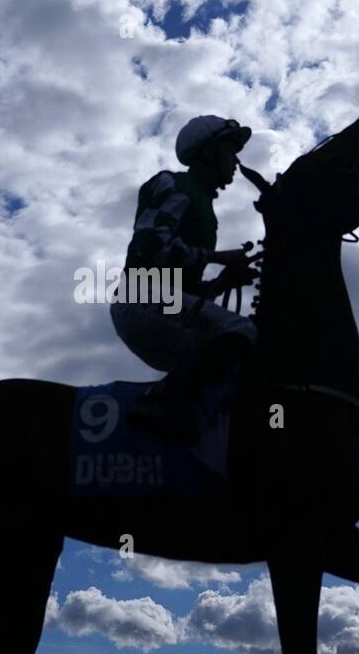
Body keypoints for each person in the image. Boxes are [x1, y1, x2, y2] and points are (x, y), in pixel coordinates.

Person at [110, 115, 261, 441]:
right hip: (141, 297)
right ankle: (161, 403)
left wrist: (224, 282)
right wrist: (219, 259)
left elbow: (187, 292)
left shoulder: (205, 205)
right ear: (207, 153)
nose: (236, 161)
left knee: (237, 357)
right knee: (242, 330)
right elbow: (150, 245)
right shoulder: (176, 185)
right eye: (229, 150)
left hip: (159, 301)